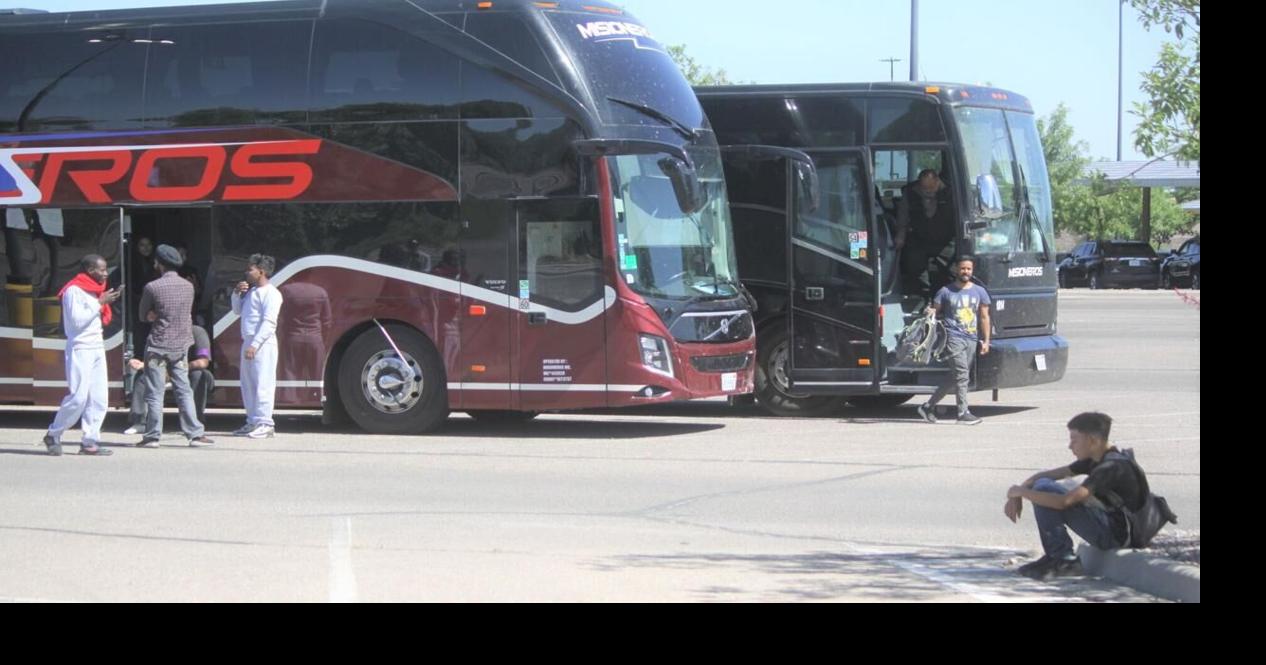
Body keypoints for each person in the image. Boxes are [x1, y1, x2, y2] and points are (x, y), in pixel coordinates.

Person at [1005, 412, 1141, 580]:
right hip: (1108, 525)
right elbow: (1046, 475)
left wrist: (1022, 492)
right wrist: (1018, 492)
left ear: (1092, 440)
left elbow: (1065, 502)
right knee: (1042, 484)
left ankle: (1065, 560)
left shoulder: (1110, 467)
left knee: (1044, 489)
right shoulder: (1096, 458)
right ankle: (1055, 556)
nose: (1070, 446)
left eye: (1074, 440)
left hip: (1117, 535)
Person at [42, 255, 121, 456]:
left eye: (106, 269)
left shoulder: (96, 290)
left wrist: (104, 300)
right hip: (80, 347)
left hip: (97, 346)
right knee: (78, 397)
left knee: (99, 398)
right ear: (89, 270)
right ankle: (53, 433)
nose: (105, 274)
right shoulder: (73, 290)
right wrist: (100, 302)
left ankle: (90, 441)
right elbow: (77, 322)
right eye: (101, 270)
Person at [136, 244, 214, 448]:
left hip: (158, 345)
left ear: (159, 264)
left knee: (155, 393)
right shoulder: (188, 286)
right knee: (184, 390)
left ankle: (152, 436)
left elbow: (143, 315)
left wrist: (154, 315)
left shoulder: (152, 287)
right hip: (180, 347)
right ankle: (195, 434)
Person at [915, 256, 991, 425]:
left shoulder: (980, 291)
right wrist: (930, 311)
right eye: (962, 268)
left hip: (972, 338)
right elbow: (935, 311)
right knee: (962, 375)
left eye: (969, 269)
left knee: (955, 376)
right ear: (956, 269)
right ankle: (963, 413)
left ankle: (927, 407)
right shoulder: (945, 291)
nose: (965, 272)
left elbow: (984, 317)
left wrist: (986, 340)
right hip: (953, 337)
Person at [232, 254, 283, 439]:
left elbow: (269, 322)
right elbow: (237, 310)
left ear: (261, 271)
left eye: (250, 269)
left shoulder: (272, 293)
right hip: (248, 341)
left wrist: (255, 345)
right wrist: (236, 294)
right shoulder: (252, 292)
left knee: (263, 383)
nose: (247, 272)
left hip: (262, 344)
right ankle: (252, 421)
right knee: (248, 384)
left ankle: (265, 423)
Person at [895, 169, 955, 304]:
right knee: (916, 270)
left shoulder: (952, 192)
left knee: (946, 273)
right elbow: (903, 217)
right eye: (925, 189)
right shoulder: (911, 192)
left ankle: (942, 302)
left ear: (938, 182)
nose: (928, 192)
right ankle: (921, 302)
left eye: (931, 188)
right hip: (919, 239)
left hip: (945, 241)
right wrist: (900, 236)